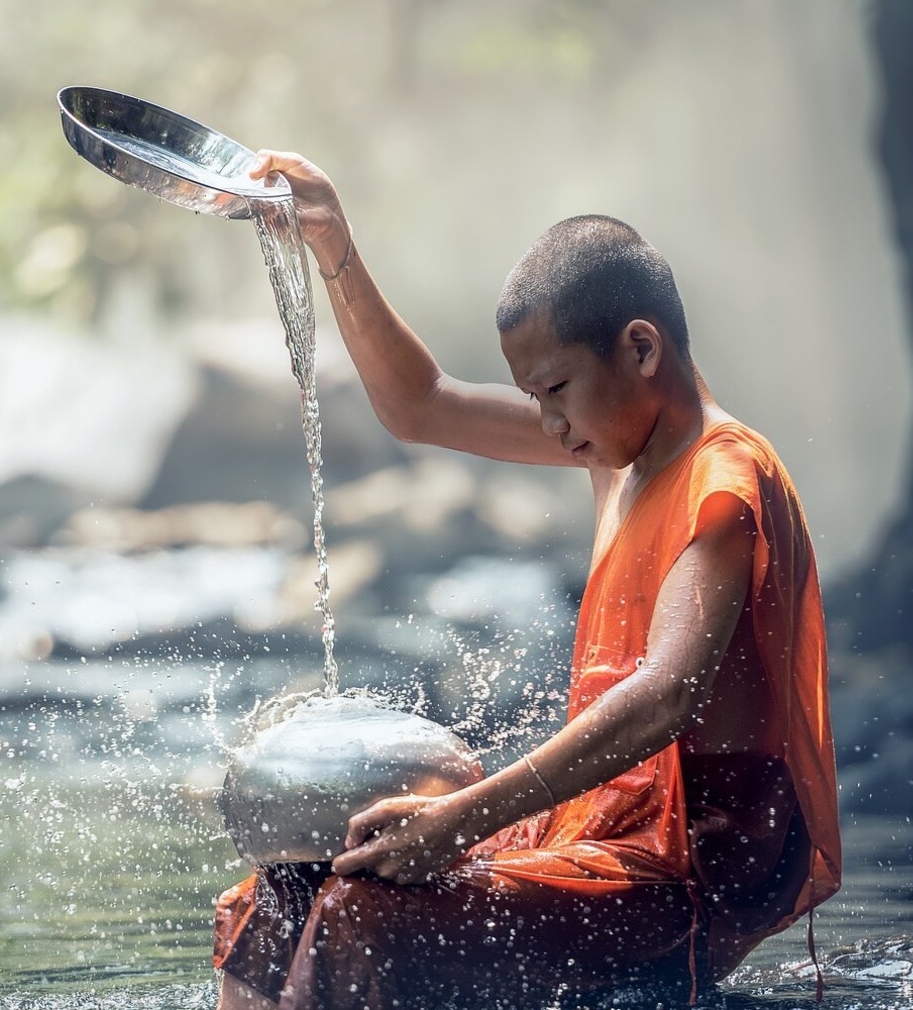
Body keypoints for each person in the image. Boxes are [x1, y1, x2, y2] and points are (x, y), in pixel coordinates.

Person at [212, 152, 841, 1010]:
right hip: (588, 831)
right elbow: (421, 404)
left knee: (360, 911)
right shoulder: (615, 443)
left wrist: (460, 818)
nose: (549, 425)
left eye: (555, 390)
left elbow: (665, 695)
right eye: (532, 397)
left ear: (641, 348)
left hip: (680, 879)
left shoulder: (723, 479)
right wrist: (334, 244)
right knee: (282, 888)